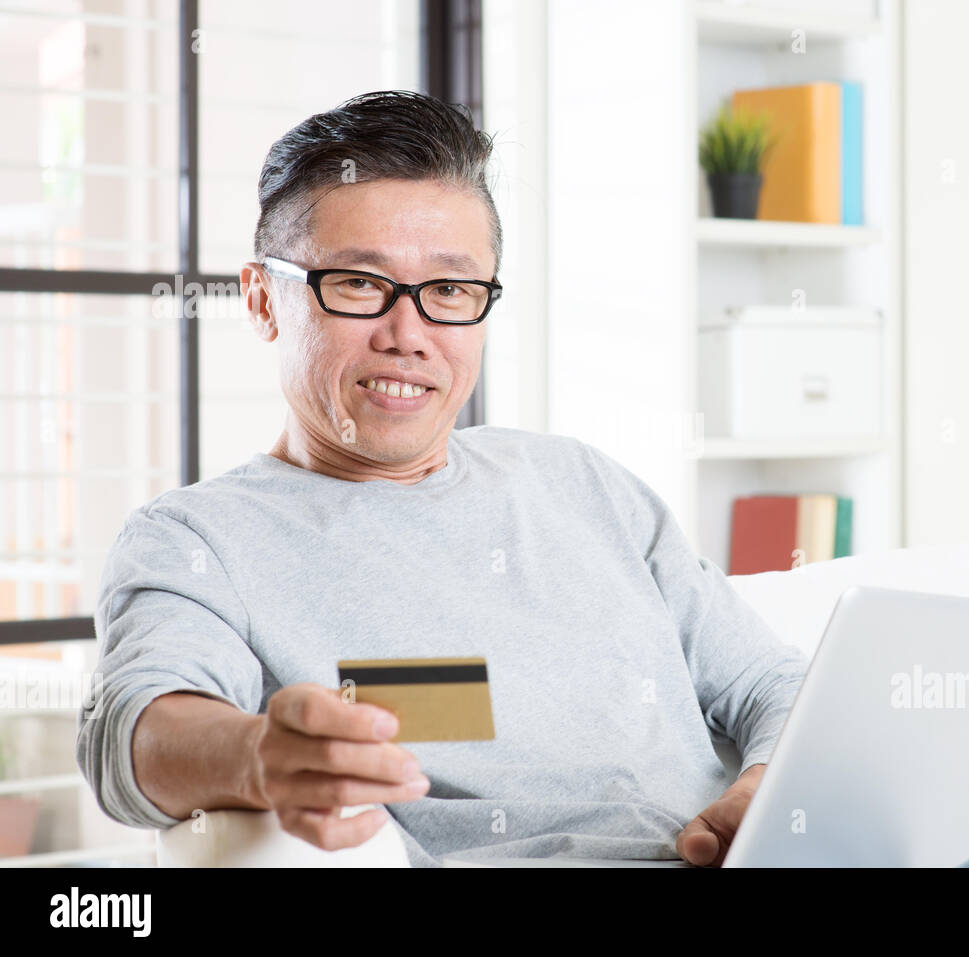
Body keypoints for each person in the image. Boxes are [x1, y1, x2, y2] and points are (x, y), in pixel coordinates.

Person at [75, 91, 809, 867]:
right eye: (359, 283)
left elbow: (770, 681)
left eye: (451, 291)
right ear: (263, 300)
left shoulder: (585, 482)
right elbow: (136, 732)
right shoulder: (198, 539)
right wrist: (259, 753)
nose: (409, 335)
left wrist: (761, 789)